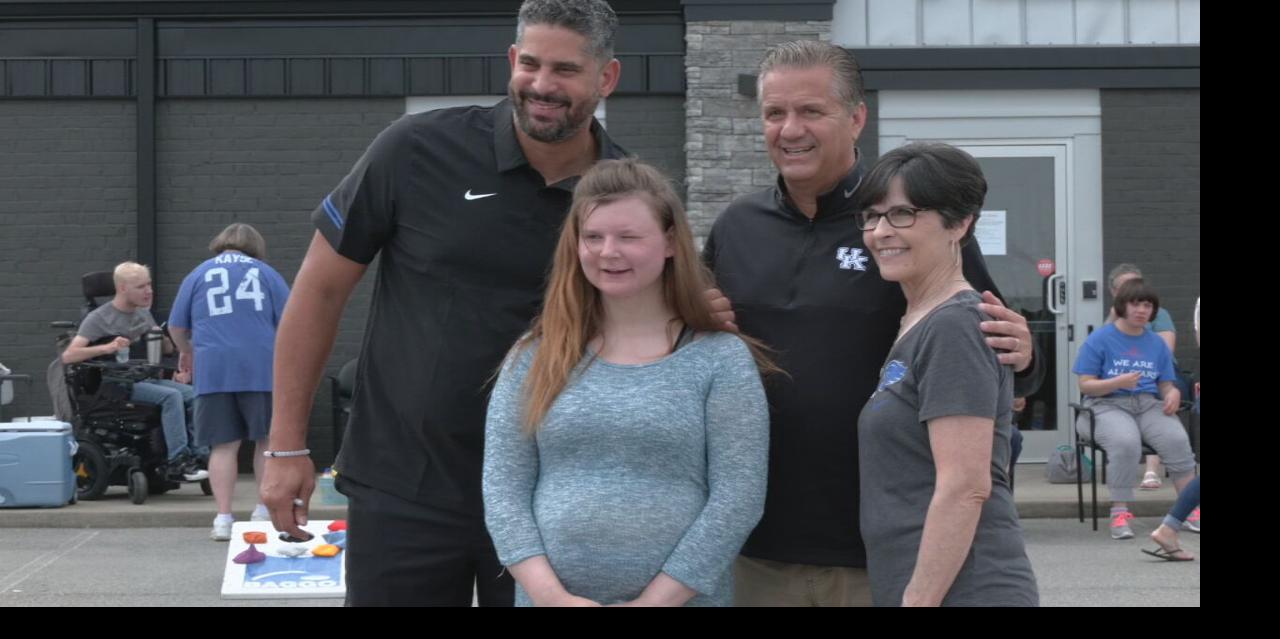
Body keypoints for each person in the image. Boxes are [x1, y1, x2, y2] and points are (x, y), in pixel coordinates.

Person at [260, 0, 640, 606]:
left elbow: (655, 325)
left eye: (566, 71)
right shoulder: (414, 149)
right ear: (512, 61)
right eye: (531, 65)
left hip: (551, 495)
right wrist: (285, 445)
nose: (542, 86)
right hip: (403, 485)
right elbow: (319, 290)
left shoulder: (626, 192)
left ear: (606, 78)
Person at [701, 40, 1040, 606]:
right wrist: (692, 327)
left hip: (875, 556)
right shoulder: (736, 227)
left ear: (857, 117)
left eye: (811, 111)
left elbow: (996, 357)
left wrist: (1027, 357)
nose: (790, 130)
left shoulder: (908, 227)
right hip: (758, 547)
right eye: (774, 113)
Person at [484, 159, 771, 606]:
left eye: (629, 237)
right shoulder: (534, 356)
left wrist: (652, 603)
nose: (607, 252)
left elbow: (739, 498)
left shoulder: (719, 358)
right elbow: (503, 490)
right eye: (593, 237)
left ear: (671, 242)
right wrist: (552, 598)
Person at [855, 142, 1038, 607]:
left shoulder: (955, 325)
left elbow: (965, 486)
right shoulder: (917, 320)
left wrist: (918, 599)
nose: (879, 232)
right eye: (872, 216)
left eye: (902, 214)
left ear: (959, 223)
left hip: (965, 589)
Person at [169, 223, 291, 541]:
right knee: (265, 442)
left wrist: (187, 351)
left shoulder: (197, 274)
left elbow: (177, 326)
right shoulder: (266, 273)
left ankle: (223, 518)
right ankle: (262, 511)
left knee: (223, 446)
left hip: (214, 368)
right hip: (261, 367)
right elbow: (291, 318)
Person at [1073, 278, 1197, 540]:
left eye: (1148, 305)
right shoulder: (1100, 338)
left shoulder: (1156, 343)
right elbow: (1085, 385)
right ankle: (1119, 511)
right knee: (1124, 441)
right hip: (1105, 404)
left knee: (1176, 439)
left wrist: (1172, 393)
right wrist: (1116, 382)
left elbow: (1165, 384)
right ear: (1121, 306)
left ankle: (1189, 510)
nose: (1142, 310)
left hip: (1147, 404)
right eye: (1135, 304)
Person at [62, 261, 208, 482]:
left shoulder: (142, 314)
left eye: (149, 285)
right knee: (172, 397)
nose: (148, 291)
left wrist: (164, 339)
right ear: (122, 288)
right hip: (113, 385)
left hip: (140, 378)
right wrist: (107, 347)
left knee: (194, 394)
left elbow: (166, 350)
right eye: (141, 287)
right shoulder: (99, 318)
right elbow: (68, 356)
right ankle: (177, 461)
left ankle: (201, 456)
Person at [1106, 263, 1181, 490]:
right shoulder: (1113, 320)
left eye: (1135, 285)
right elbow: (1100, 357)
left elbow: (1166, 353)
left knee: (1154, 392)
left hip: (1159, 375)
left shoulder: (1158, 315)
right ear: (1114, 293)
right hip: (1122, 378)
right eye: (1125, 288)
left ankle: (1151, 469)